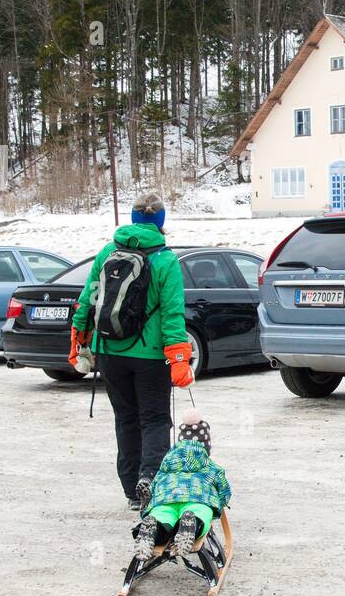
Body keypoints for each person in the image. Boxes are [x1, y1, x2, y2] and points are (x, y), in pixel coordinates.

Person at [70, 193, 193, 509]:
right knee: (155, 419)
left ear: (133, 218)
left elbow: (88, 299)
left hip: (109, 352)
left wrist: (79, 340)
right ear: (160, 222)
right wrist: (179, 358)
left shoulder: (107, 252)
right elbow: (172, 314)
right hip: (150, 356)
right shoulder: (166, 261)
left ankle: (130, 489)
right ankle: (150, 478)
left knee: (125, 419)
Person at [133, 410, 231, 560]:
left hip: (165, 499)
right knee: (201, 513)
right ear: (206, 447)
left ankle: (154, 527)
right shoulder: (210, 466)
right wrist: (221, 502)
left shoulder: (165, 466)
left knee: (162, 516)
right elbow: (224, 489)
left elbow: (154, 485)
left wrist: (147, 501)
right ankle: (192, 523)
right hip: (197, 498)